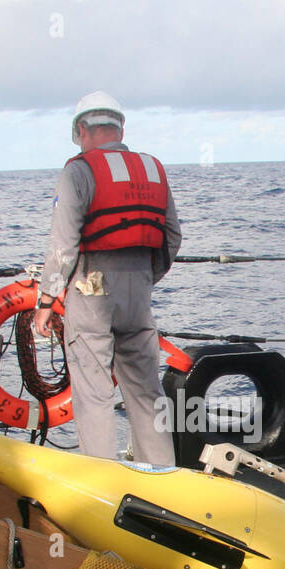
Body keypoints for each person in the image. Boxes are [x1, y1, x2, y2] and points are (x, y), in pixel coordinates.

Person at [32, 91, 179, 465]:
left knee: (94, 395)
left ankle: (102, 487)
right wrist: (145, 277)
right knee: (148, 394)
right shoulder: (153, 168)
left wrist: (46, 302)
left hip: (91, 290)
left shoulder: (78, 171)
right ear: (120, 127)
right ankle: (163, 478)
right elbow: (172, 236)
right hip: (139, 291)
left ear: (82, 129)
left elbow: (63, 246)